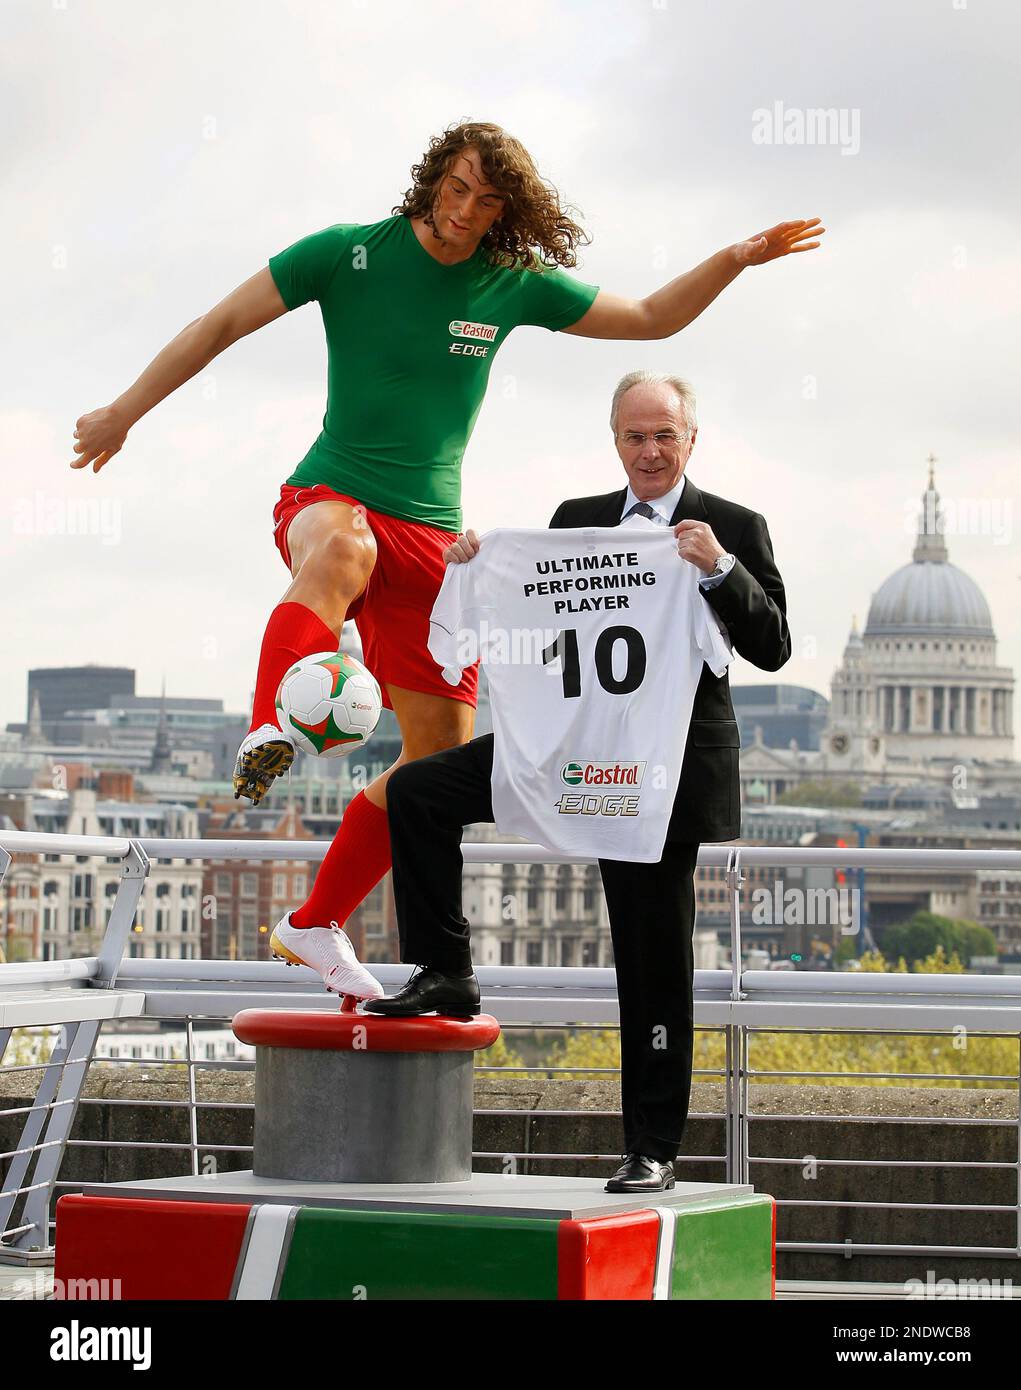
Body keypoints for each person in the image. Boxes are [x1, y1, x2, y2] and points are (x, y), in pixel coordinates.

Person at [69, 120, 820, 999]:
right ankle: (271, 717)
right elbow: (220, 324)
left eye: (488, 199)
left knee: (432, 765)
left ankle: (313, 924)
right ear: (432, 177)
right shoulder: (344, 255)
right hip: (331, 496)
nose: (465, 212)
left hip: (435, 541)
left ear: (508, 210)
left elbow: (652, 316)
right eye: (457, 187)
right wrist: (124, 412)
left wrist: (736, 255)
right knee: (340, 547)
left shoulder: (509, 282)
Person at [364, 372, 792, 1193]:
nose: (650, 450)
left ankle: (653, 1148)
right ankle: (443, 970)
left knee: (650, 961)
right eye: (635, 436)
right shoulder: (574, 523)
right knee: (420, 793)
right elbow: (531, 623)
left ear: (690, 439)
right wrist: (478, 568)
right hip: (563, 754)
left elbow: (771, 646)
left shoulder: (733, 525)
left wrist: (718, 569)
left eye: (664, 434)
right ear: (616, 442)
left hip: (656, 775)